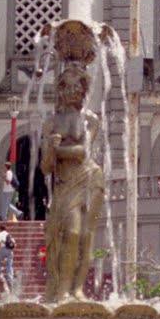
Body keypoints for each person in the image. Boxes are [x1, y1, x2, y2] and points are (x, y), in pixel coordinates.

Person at [41, 54, 105, 302]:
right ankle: (61, 289)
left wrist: (58, 150)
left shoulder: (91, 120)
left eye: (78, 85)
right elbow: (46, 167)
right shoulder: (51, 122)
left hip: (91, 177)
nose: (73, 90)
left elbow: (82, 152)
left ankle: (77, 289)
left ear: (85, 88)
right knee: (71, 233)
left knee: (86, 236)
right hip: (65, 184)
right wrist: (49, 149)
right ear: (59, 89)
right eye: (67, 85)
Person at [0, 225, 15, 289]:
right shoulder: (9, 235)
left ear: (0, 229)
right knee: (9, 265)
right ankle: (10, 279)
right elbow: (14, 244)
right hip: (10, 251)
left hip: (3, 249)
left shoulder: (0, 234)